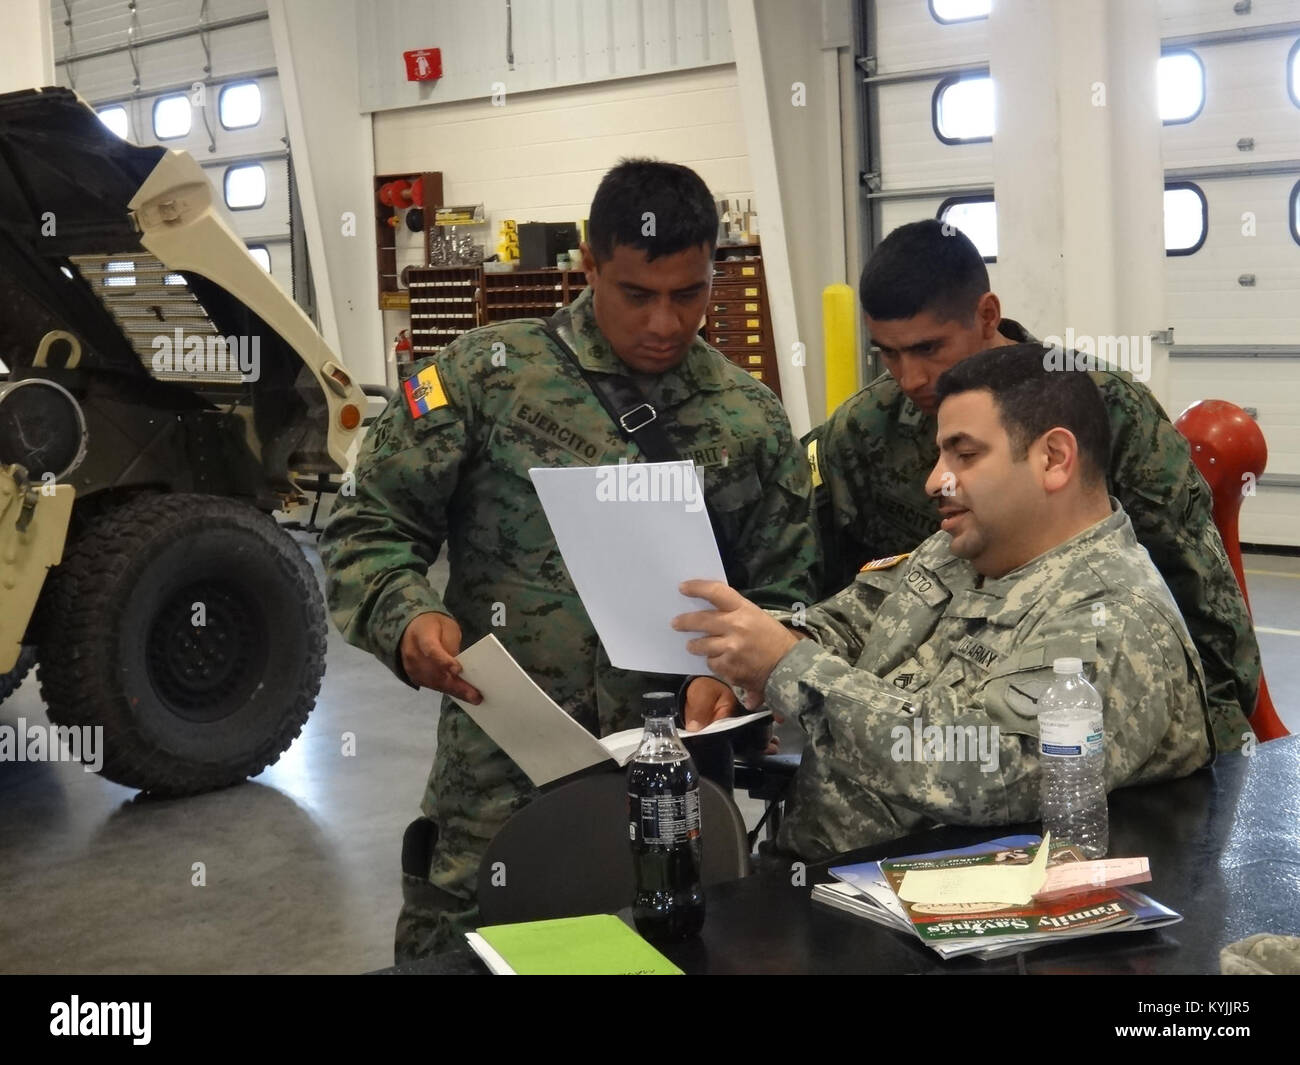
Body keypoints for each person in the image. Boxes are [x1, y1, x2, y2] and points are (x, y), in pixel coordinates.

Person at [319, 158, 819, 958]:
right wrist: (404, 615)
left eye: (688, 294)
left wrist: (731, 676)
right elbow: (368, 523)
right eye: (636, 294)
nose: (664, 323)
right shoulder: (484, 380)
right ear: (589, 265)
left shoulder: (749, 419)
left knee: (671, 954)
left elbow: (791, 595)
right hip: (497, 781)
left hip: (674, 789)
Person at [675, 344, 1213, 860]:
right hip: (830, 882)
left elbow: (992, 771)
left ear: (1054, 459)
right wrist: (747, 659)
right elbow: (847, 622)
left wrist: (788, 670)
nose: (936, 480)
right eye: (940, 453)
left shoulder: (1111, 613)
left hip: (953, 928)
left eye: (965, 454)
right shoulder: (959, 553)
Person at [806, 220, 1260, 754]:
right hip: (926, 720)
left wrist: (1211, 763)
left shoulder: (1103, 408)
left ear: (987, 316)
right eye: (888, 353)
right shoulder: (863, 428)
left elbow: (1202, 601)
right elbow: (826, 582)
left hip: (1081, 708)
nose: (909, 378)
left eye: (929, 348)